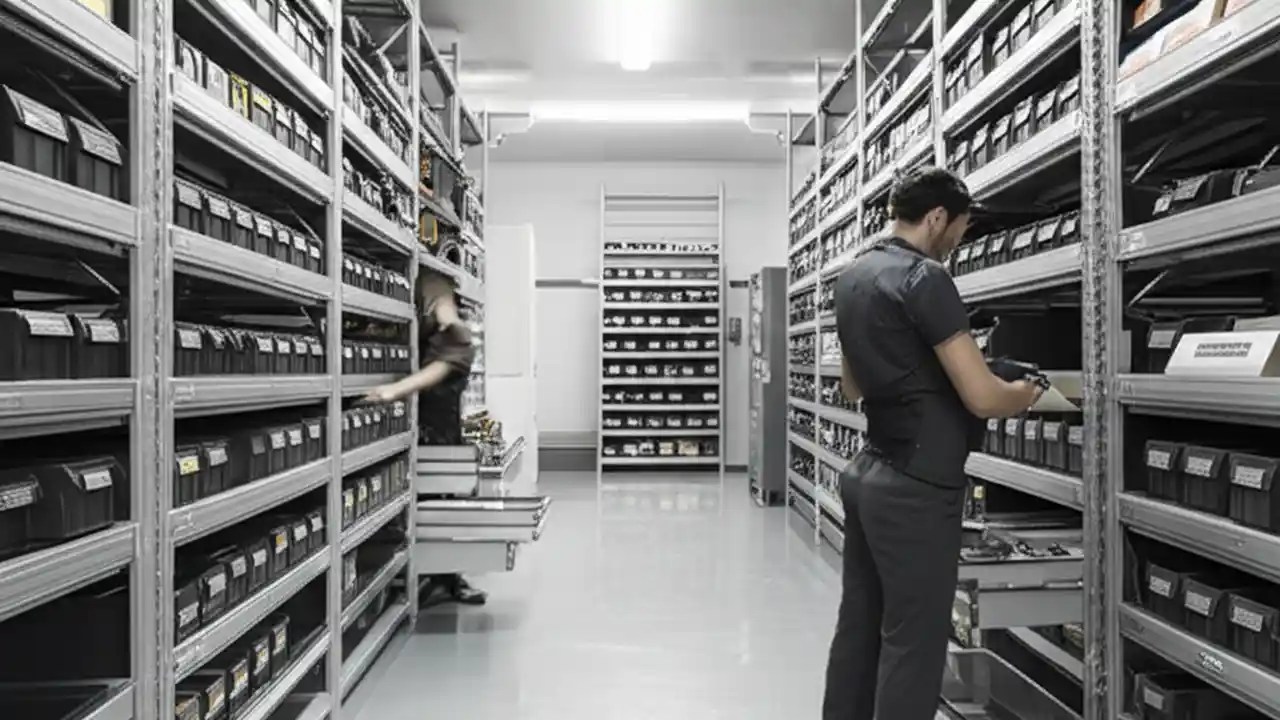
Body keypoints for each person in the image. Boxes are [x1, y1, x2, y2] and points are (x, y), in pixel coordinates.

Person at [822, 167, 1044, 720]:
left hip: (870, 473)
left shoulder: (853, 275)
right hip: (917, 487)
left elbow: (855, 385)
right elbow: (982, 398)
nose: (959, 242)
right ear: (939, 216)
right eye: (961, 229)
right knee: (913, 642)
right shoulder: (925, 279)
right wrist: (1026, 393)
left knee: (860, 626)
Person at [365, 269, 486, 606]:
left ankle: (447, 576)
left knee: (442, 499)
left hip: (438, 428)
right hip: (418, 424)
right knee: (422, 502)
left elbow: (452, 360)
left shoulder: (452, 323)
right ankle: (416, 573)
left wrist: (395, 390)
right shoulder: (429, 309)